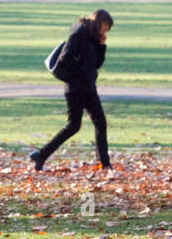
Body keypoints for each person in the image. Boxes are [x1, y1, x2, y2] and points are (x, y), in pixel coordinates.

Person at [32, 9, 113, 171]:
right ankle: (41, 155)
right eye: (105, 26)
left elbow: (96, 64)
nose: (106, 30)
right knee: (73, 126)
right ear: (98, 22)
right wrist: (82, 73)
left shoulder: (93, 38)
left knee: (100, 123)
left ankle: (105, 164)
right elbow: (65, 59)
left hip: (89, 87)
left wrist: (102, 46)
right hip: (76, 88)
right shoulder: (79, 34)